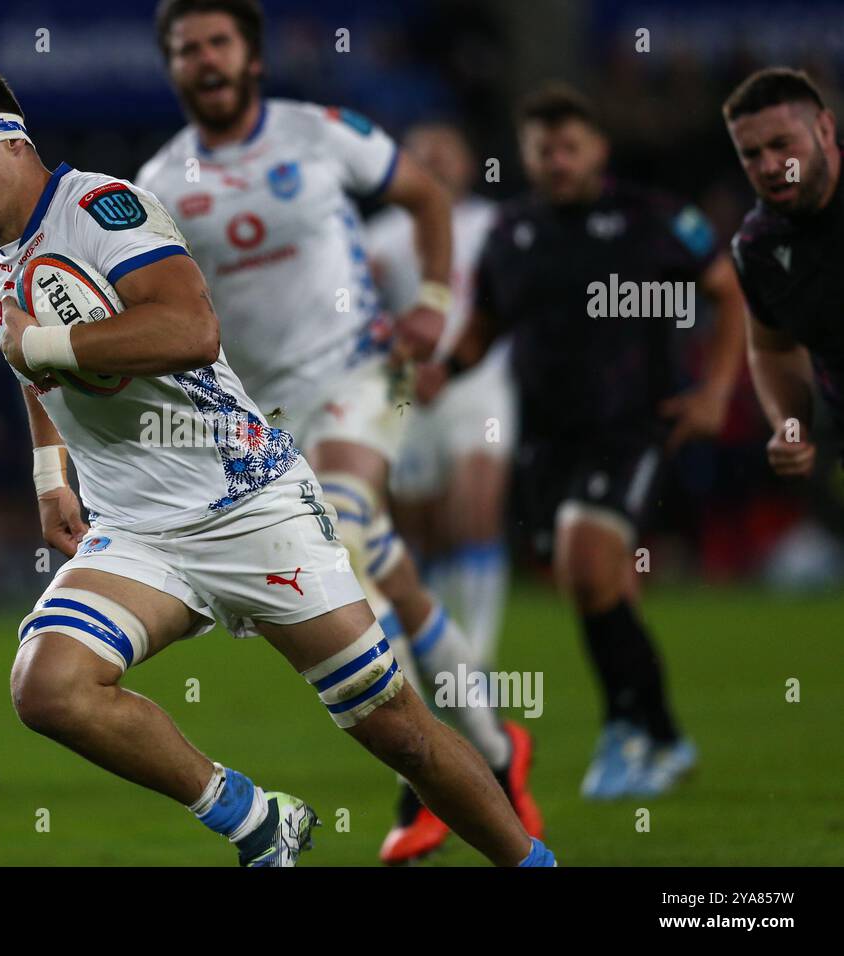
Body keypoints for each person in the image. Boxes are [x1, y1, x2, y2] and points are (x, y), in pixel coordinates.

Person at [0, 59, 555, 866]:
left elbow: (189, 331)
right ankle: (252, 819)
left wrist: (45, 341)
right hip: (138, 531)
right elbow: (32, 372)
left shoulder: (106, 209)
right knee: (48, 688)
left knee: (397, 731)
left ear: (9, 142)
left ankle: (534, 865)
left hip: (249, 505)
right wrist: (49, 472)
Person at [136, 0, 541, 863]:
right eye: (186, 49)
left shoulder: (320, 133)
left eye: (218, 43)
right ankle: (496, 751)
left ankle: (422, 778)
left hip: (362, 375)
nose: (203, 60)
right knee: (385, 562)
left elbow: (426, 196)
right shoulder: (158, 185)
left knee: (347, 534)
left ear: (251, 57)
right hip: (262, 417)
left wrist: (432, 304)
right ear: (171, 67)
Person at [450, 83, 748, 798]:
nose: (556, 161)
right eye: (542, 148)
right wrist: (436, 373)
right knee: (601, 584)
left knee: (587, 567)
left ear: (599, 150)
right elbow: (485, 324)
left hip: (633, 426)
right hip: (546, 441)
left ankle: (625, 729)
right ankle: (666, 737)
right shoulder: (511, 233)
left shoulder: (652, 219)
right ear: (525, 154)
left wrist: (714, 393)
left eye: (569, 147)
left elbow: (727, 290)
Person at [366, 121, 515, 671]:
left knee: (473, 513)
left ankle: (478, 656)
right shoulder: (378, 239)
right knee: (422, 530)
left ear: (469, 164)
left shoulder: (496, 226)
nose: (437, 164)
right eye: (423, 155)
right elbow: (359, 315)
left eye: (447, 154)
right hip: (411, 397)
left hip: (480, 386)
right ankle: (438, 651)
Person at [723, 67, 843, 476]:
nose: (771, 166)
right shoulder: (758, 249)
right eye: (751, 154)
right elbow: (773, 347)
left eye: (781, 144)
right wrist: (790, 425)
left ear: (825, 129)